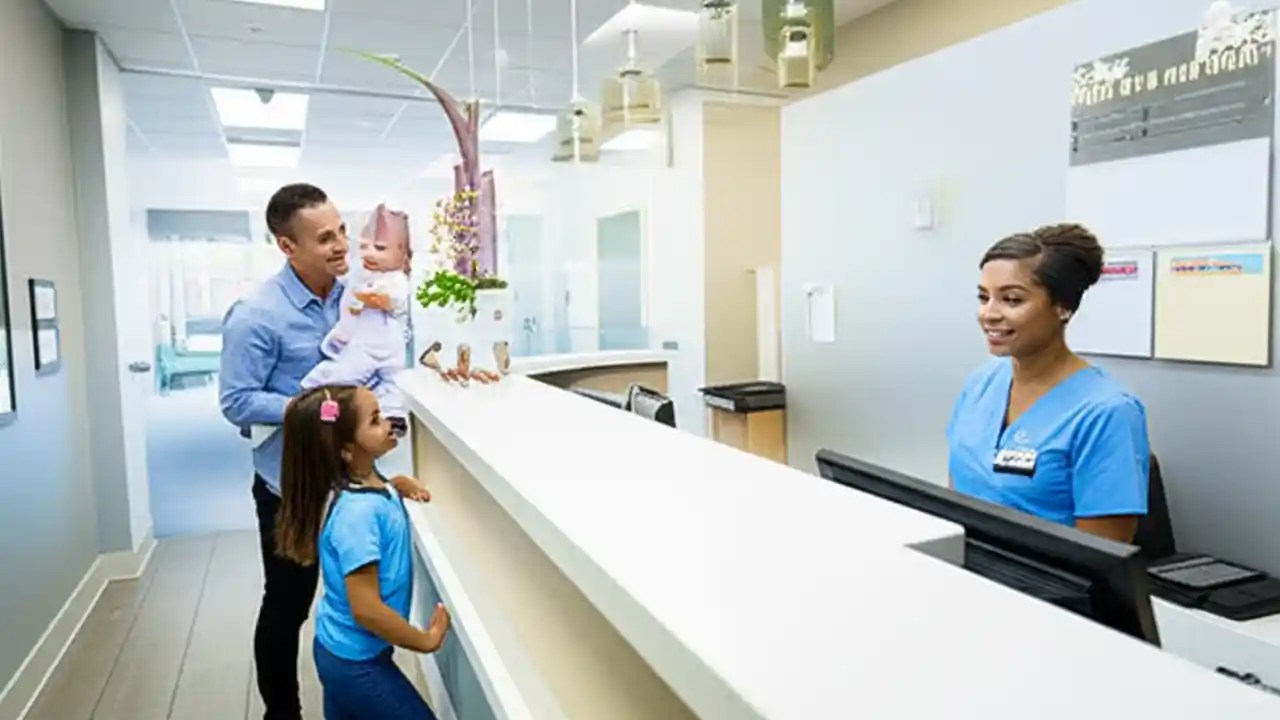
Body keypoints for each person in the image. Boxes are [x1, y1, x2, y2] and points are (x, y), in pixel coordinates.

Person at [220, 183, 429, 719]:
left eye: (341, 231)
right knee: (288, 605)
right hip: (290, 490)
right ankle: (282, 712)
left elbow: (387, 357)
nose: (341, 246)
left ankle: (348, 690)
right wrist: (320, 409)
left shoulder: (357, 294)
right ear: (287, 247)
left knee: (350, 599)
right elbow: (236, 402)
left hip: (351, 486)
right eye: (324, 238)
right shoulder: (256, 315)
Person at [946, 222, 1150, 543]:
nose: (989, 313)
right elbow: (956, 501)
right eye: (984, 297)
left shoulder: (1107, 413)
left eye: (1011, 300)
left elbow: (1102, 559)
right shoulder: (979, 386)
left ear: (1062, 307)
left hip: (1044, 591)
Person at [276, 385, 449, 719]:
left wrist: (399, 484)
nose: (388, 424)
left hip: (339, 650)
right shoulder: (359, 516)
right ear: (345, 450)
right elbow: (366, 609)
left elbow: (378, 497)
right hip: (355, 664)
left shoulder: (364, 485)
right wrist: (423, 641)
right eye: (375, 420)